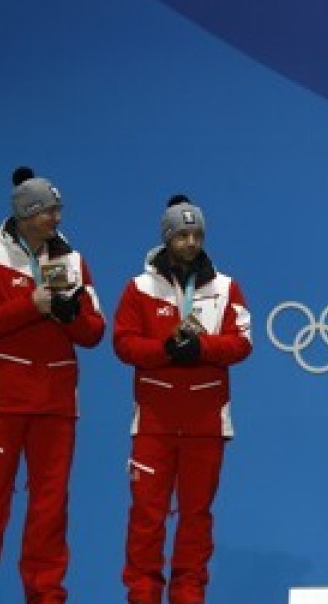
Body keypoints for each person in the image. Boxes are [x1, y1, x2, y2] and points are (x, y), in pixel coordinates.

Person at [0, 166, 106, 604]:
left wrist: (69, 314)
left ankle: (47, 598)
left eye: (58, 210)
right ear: (24, 214)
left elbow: (94, 333)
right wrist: (30, 304)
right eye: (47, 212)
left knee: (49, 513)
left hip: (56, 404)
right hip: (0, 401)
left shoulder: (71, 261)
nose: (56, 219)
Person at [113, 195, 253, 604]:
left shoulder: (225, 287)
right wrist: (164, 351)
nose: (191, 242)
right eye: (182, 235)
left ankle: (189, 597)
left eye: (197, 235)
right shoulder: (139, 287)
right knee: (146, 520)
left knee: (195, 520)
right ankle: (142, 596)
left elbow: (243, 342)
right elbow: (122, 343)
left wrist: (203, 349)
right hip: (153, 424)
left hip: (205, 423)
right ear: (167, 238)